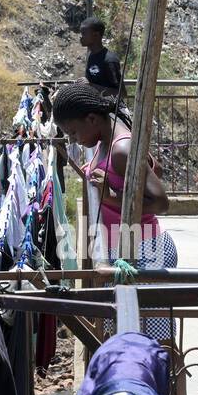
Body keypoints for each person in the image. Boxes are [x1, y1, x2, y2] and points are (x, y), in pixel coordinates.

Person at [50, 83, 176, 337]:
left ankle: (171, 377)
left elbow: (161, 202)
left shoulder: (121, 148)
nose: (74, 140)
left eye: (74, 132)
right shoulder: (107, 135)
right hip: (123, 250)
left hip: (145, 251)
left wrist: (110, 197)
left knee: (158, 344)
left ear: (92, 118)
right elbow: (155, 168)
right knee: (124, 337)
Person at [79, 16, 124, 102]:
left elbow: (121, 93)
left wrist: (91, 86)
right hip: (93, 105)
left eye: (84, 33)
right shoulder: (90, 55)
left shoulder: (110, 60)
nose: (80, 37)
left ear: (96, 35)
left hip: (108, 110)